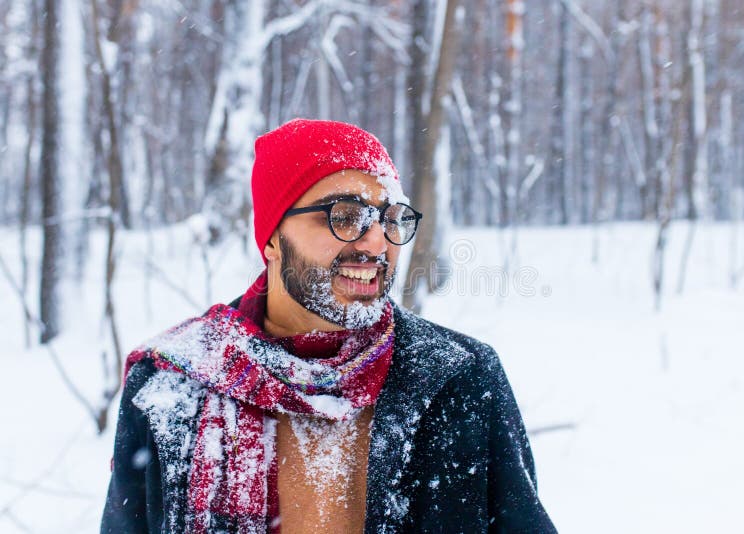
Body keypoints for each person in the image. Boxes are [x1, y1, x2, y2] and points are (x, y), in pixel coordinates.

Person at [101, 118, 556, 533]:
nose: (377, 242)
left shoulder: (459, 378)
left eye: (389, 218)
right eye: (344, 216)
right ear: (273, 237)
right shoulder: (174, 381)